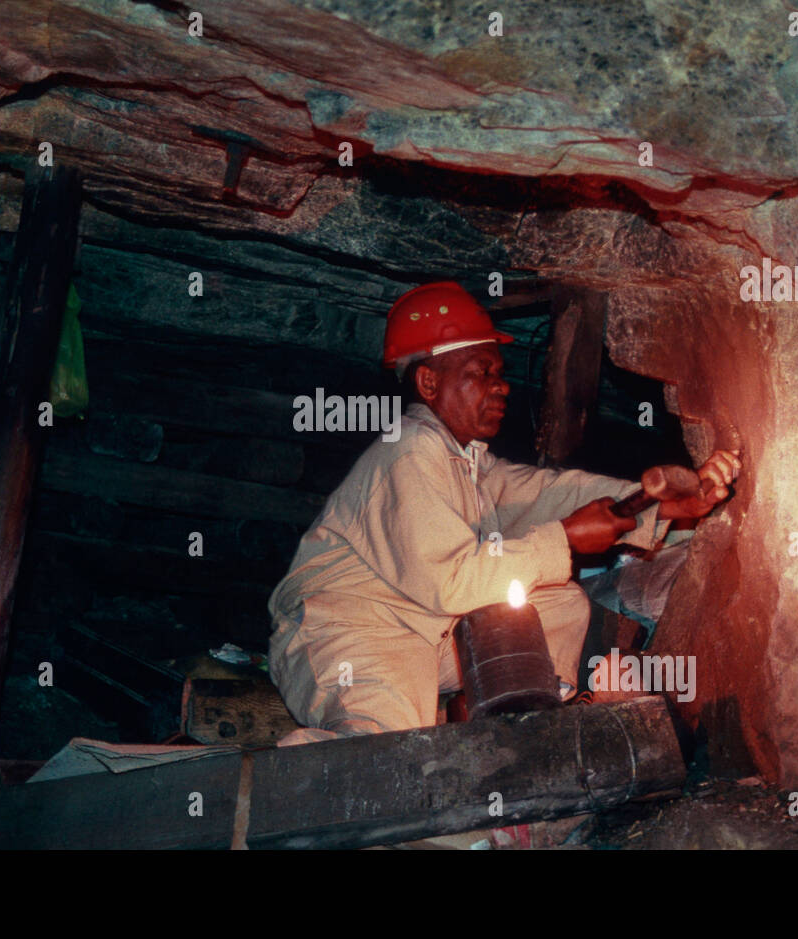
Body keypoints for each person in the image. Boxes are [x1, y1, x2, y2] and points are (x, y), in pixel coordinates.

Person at [268, 282, 740, 742]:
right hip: (350, 634)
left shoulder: (466, 462)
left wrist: (663, 505)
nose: (502, 387)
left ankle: (517, 731)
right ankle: (274, 792)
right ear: (428, 382)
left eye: (499, 373)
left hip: (420, 632)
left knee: (559, 606)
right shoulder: (409, 451)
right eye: (481, 372)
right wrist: (567, 538)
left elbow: (546, 494)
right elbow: (452, 582)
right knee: (382, 752)